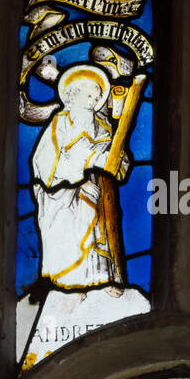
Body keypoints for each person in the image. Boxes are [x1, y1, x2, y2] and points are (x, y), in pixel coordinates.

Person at [30, 63, 130, 289]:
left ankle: (103, 280)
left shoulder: (104, 127)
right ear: (72, 95)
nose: (93, 102)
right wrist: (78, 182)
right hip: (65, 196)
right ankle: (71, 286)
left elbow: (118, 159)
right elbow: (44, 162)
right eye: (89, 96)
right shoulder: (60, 123)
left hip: (102, 191)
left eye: (96, 98)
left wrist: (113, 163)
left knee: (102, 236)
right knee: (73, 236)